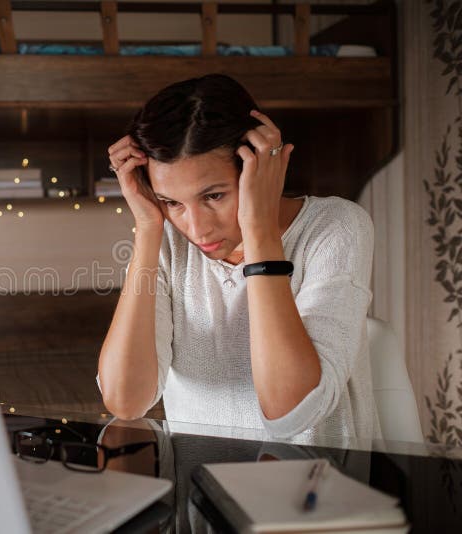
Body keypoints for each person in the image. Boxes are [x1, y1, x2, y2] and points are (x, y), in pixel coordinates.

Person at [96, 74, 379, 442]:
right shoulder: (166, 238)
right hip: (200, 494)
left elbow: (290, 414)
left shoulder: (336, 227)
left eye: (214, 196)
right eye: (172, 202)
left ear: (259, 168)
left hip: (314, 492)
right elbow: (126, 401)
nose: (197, 230)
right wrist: (149, 229)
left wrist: (259, 228)